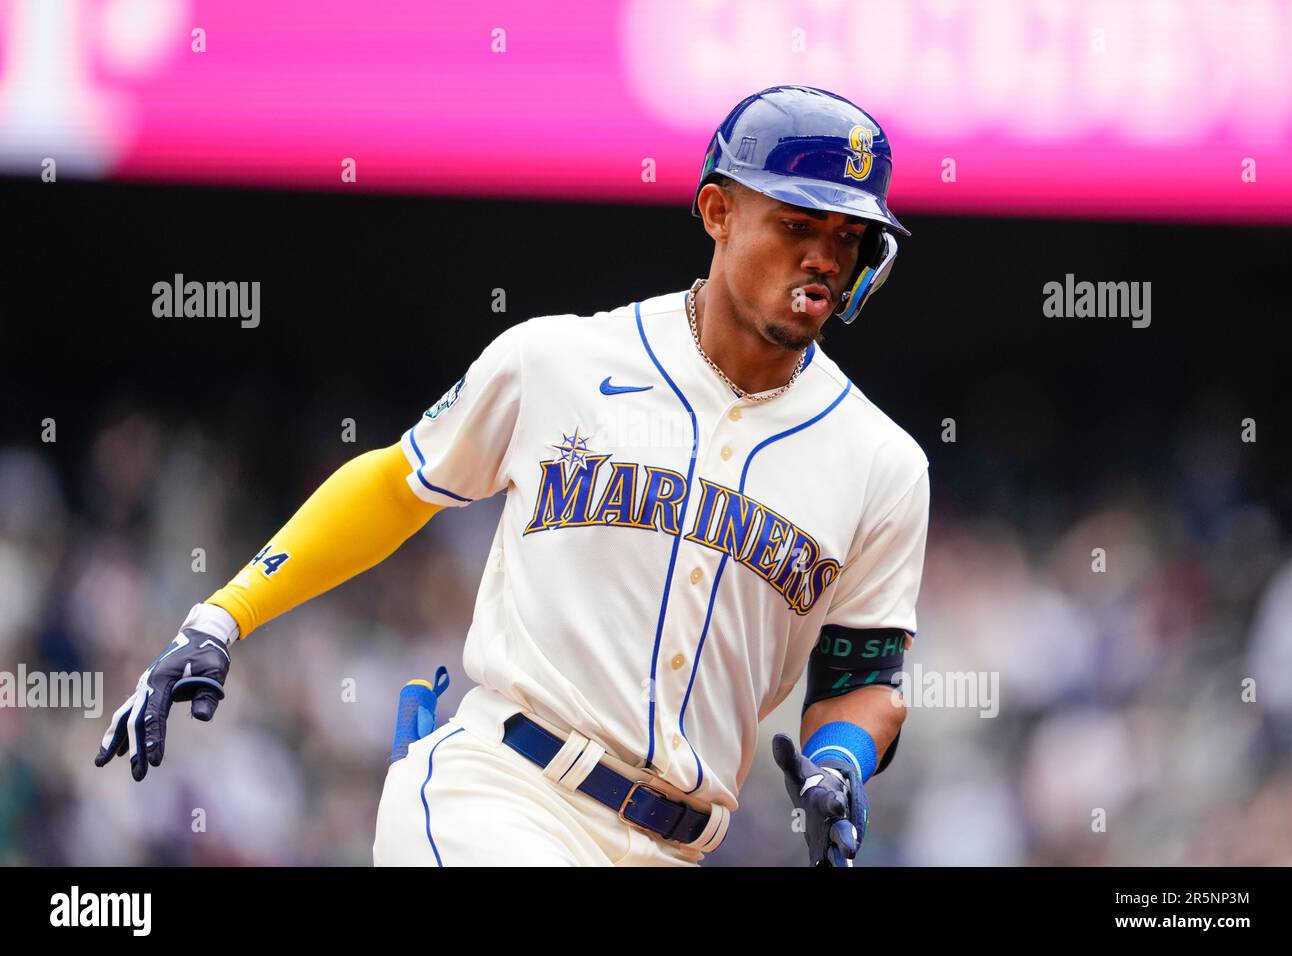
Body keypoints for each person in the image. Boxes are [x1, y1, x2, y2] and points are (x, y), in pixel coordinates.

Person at [95, 85, 930, 868]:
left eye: (848, 238)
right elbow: (398, 485)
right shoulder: (560, 360)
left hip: (678, 846)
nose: (824, 258)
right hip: (503, 793)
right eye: (796, 225)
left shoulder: (881, 463)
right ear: (717, 210)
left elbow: (862, 680)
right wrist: (222, 616)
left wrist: (840, 763)